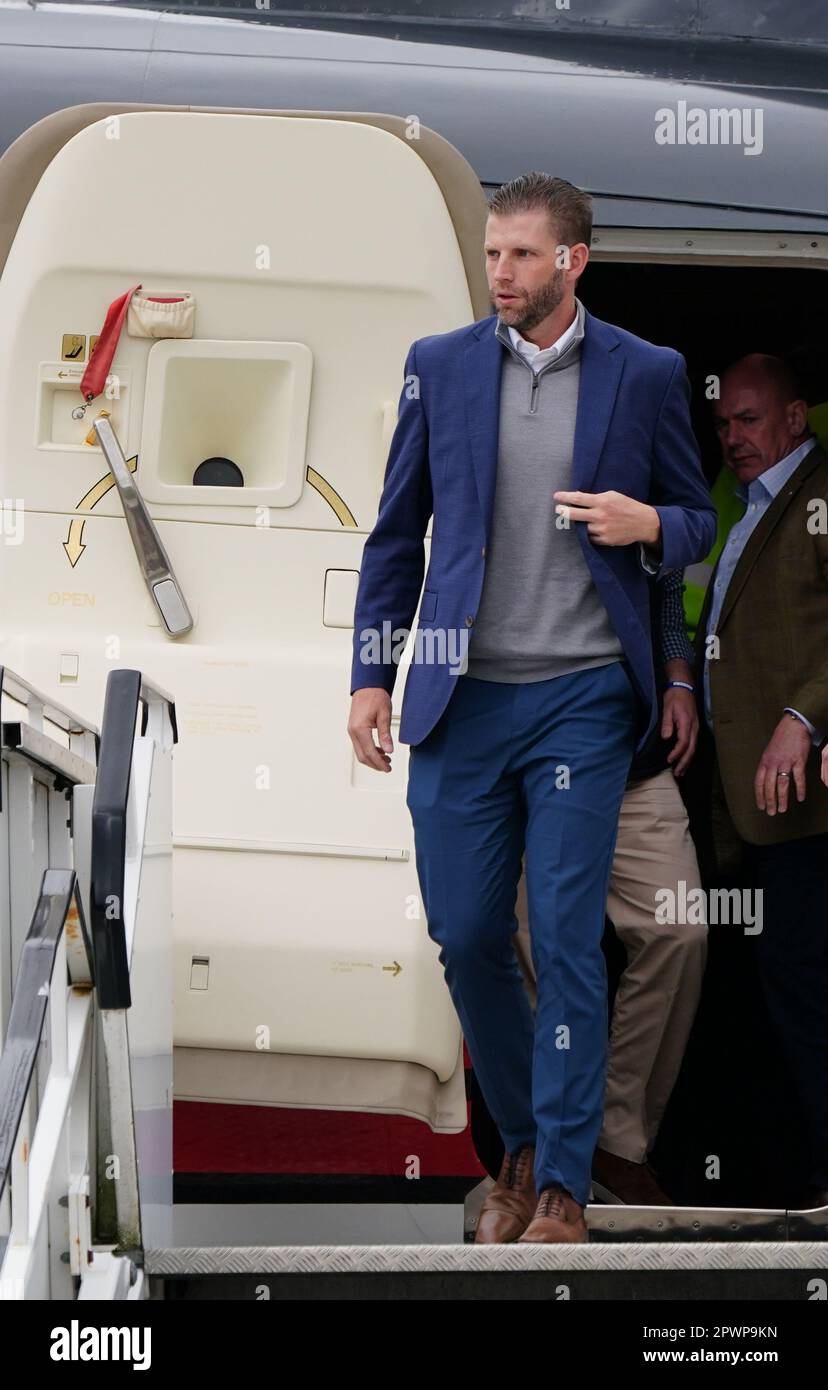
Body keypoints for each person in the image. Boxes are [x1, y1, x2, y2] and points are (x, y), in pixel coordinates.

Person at [347, 172, 716, 1243]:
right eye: (492, 253)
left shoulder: (647, 374)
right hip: (462, 703)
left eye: (519, 255)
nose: (499, 272)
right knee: (466, 935)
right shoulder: (440, 367)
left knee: (564, 937)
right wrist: (372, 674)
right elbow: (393, 536)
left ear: (573, 262)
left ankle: (560, 1185)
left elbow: (695, 522)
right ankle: (519, 1137)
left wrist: (647, 521)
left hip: (583, 700)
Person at [512, 567, 708, 1206]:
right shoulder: (487, 475)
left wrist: (679, 676)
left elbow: (669, 585)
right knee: (523, 941)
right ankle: (546, 1138)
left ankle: (614, 1140)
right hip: (520, 767)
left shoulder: (636, 477)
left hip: (631, 763)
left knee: (679, 929)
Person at [692, 353, 828, 1207]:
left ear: (793, 419)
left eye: (748, 420)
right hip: (747, 804)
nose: (731, 437)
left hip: (810, 803)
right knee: (777, 991)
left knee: (806, 989)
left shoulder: (817, 496)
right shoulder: (740, 506)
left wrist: (805, 717)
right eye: (722, 423)